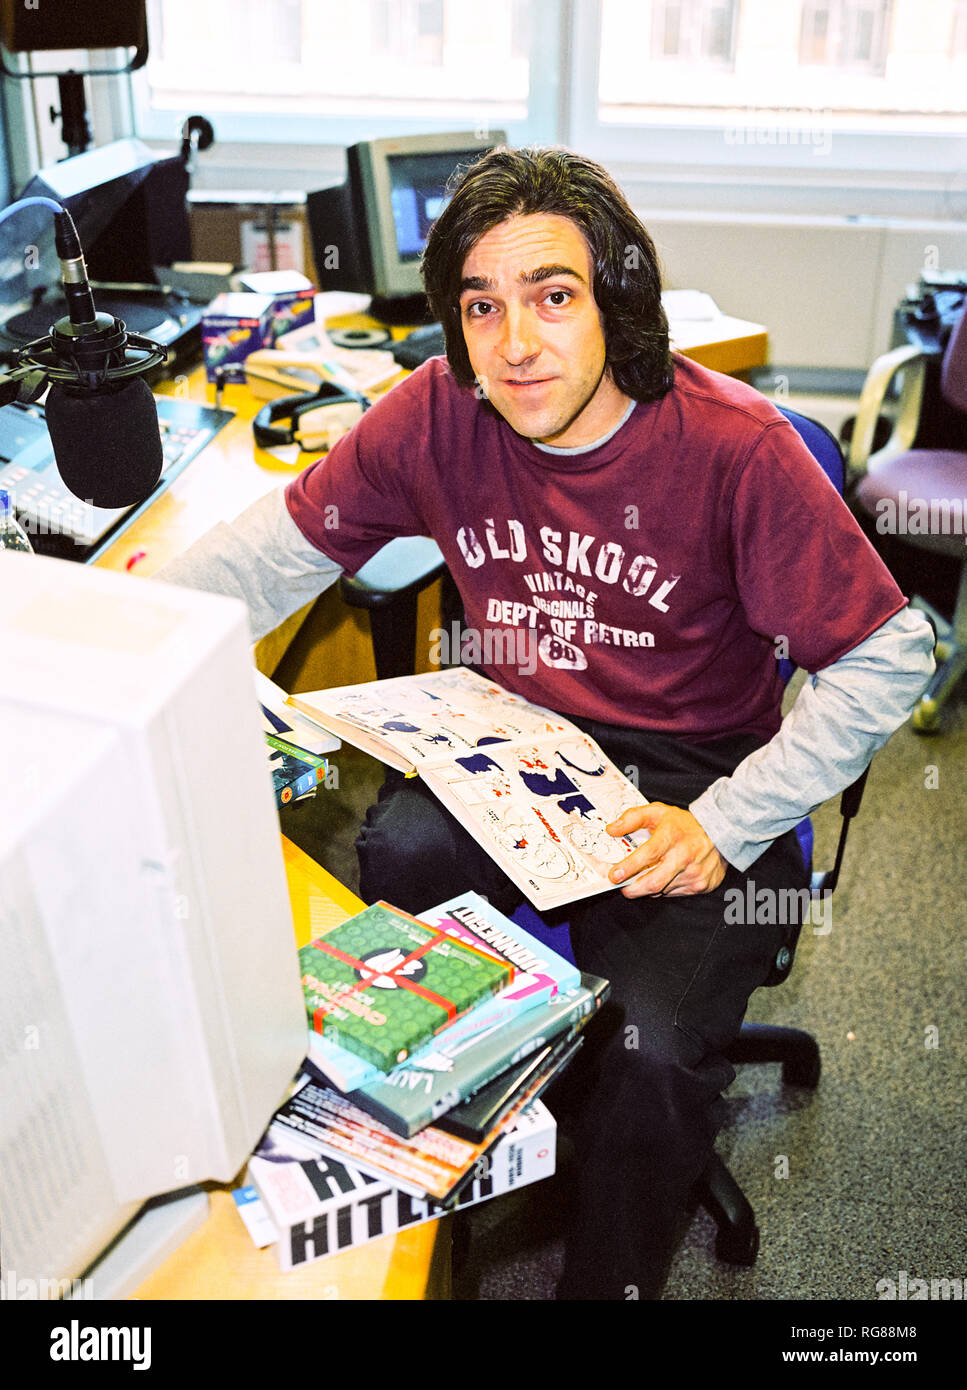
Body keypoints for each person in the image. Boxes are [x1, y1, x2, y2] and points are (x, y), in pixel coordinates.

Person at [158, 146, 935, 1299]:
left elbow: (893, 651)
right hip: (511, 740)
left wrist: (727, 821)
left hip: (700, 771)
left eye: (551, 296)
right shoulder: (435, 414)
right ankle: (432, 1200)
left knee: (659, 1057)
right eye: (481, 305)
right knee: (392, 858)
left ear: (614, 299)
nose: (514, 343)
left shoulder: (735, 449)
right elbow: (273, 555)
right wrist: (114, 640)